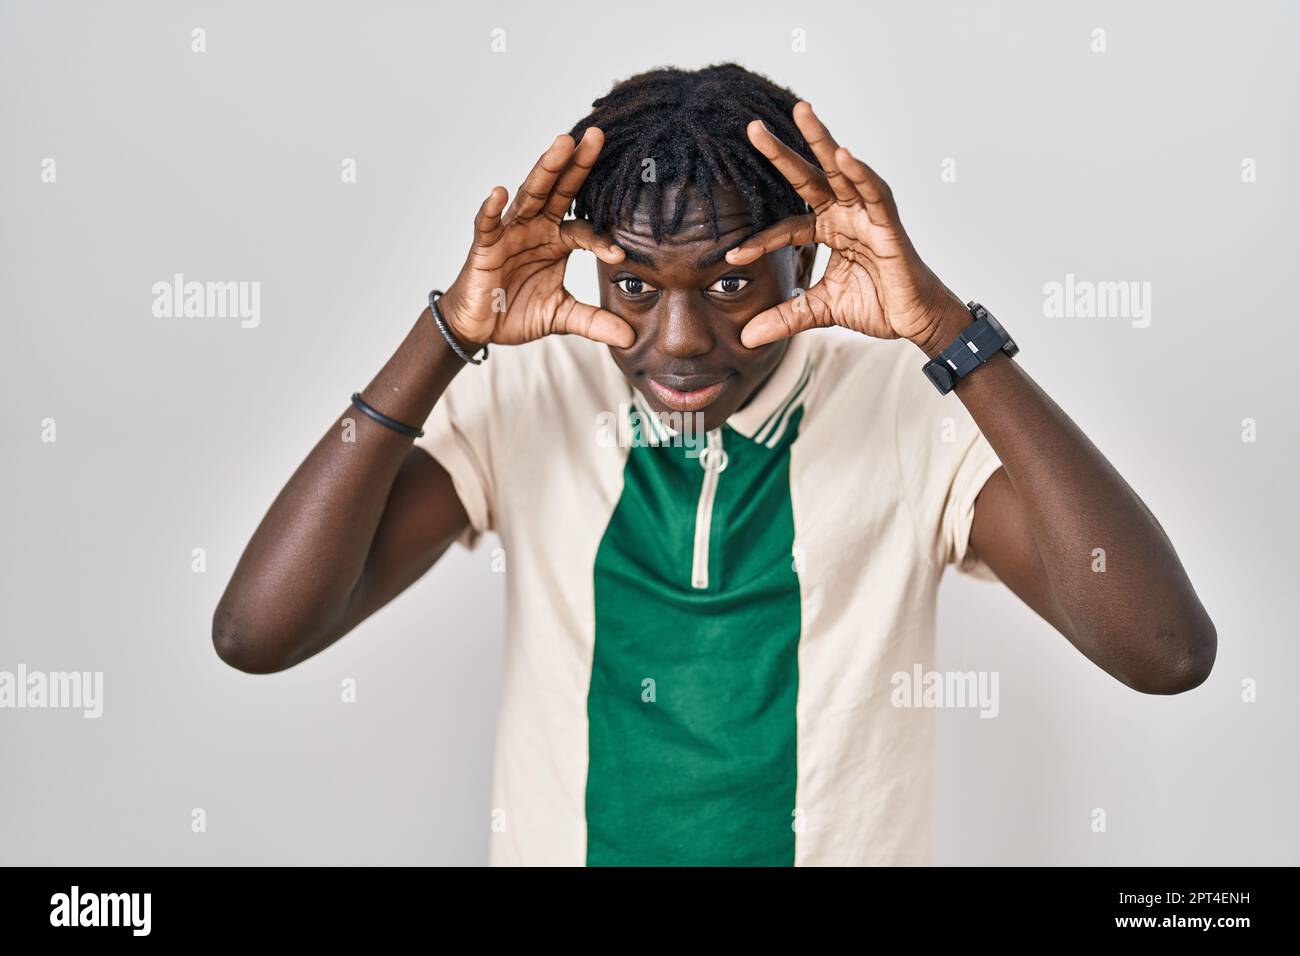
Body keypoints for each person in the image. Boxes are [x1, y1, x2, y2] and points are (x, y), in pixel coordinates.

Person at [213, 63, 1216, 866]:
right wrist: (447, 331)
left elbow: (1164, 649)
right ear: (591, 262)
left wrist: (945, 329)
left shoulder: (907, 415)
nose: (681, 336)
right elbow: (258, 629)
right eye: (633, 283)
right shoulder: (531, 395)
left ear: (810, 263)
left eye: (733, 279)